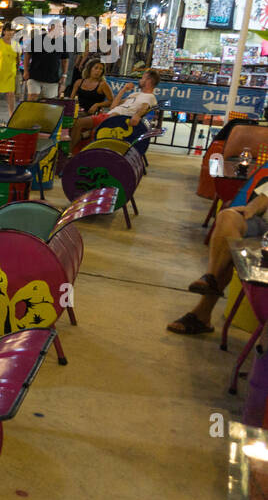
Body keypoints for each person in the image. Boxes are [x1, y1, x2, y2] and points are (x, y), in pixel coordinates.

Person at [168, 184, 268, 335]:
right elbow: (264, 197)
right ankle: (211, 276)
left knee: (229, 248)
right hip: (263, 228)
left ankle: (201, 314)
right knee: (227, 217)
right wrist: (250, 209)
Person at [68, 68, 160, 149]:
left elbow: (145, 107)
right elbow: (113, 106)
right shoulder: (135, 94)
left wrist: (137, 115)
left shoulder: (150, 97)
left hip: (117, 121)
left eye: (142, 78)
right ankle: (73, 149)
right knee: (77, 123)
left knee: (81, 125)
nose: (140, 80)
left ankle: (82, 140)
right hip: (109, 116)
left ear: (148, 80)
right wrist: (123, 90)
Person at [25, 22, 65, 101]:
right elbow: (27, 55)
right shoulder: (37, 39)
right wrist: (26, 71)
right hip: (35, 75)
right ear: (49, 29)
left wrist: (64, 75)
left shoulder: (62, 42)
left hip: (52, 78)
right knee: (33, 97)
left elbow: (65, 59)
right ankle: (30, 113)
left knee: (48, 102)